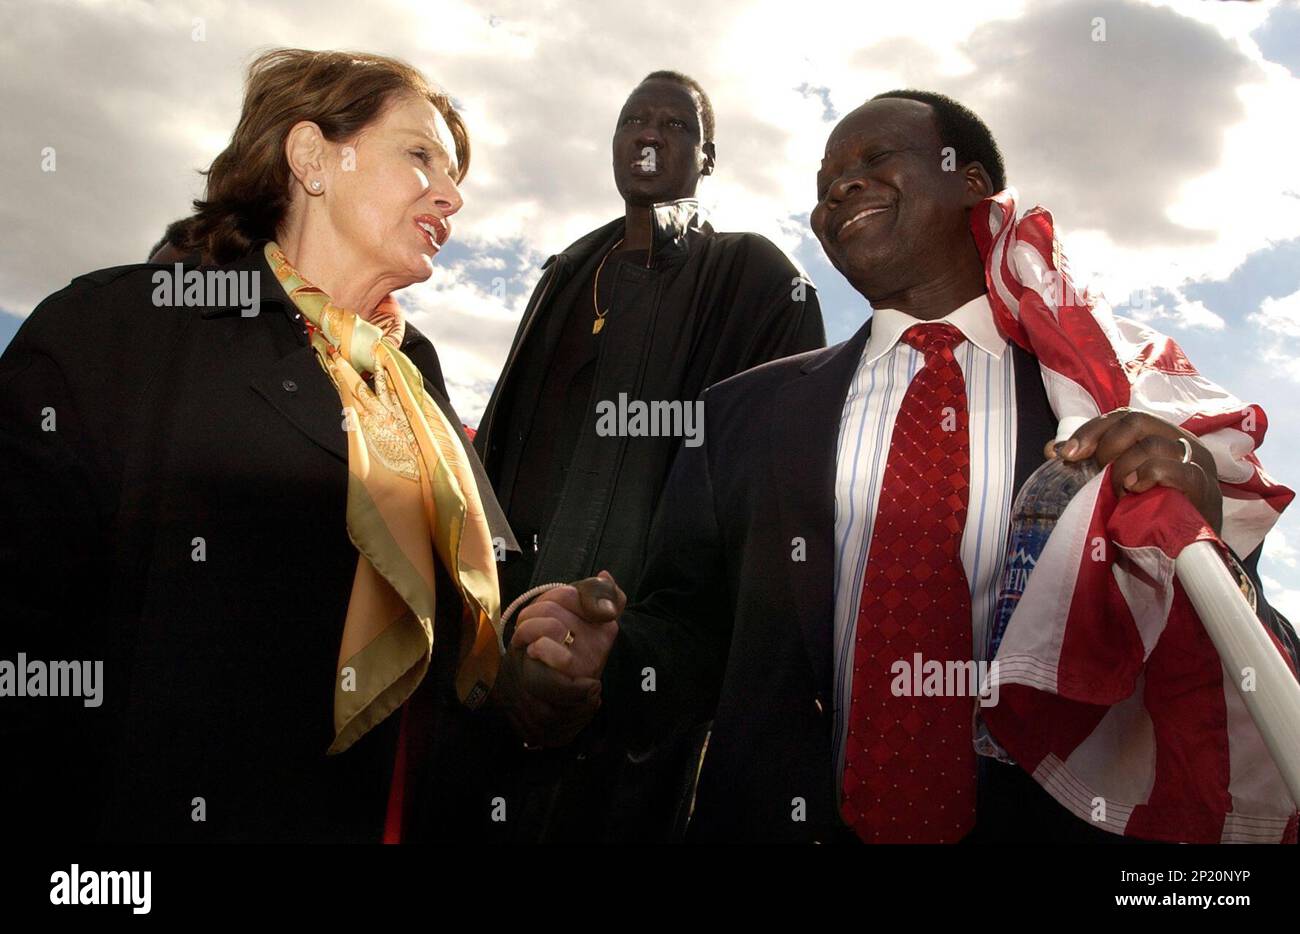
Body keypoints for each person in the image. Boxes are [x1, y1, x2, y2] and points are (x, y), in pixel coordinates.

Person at [511, 90, 1300, 842]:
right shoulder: (739, 415)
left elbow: (1204, 630)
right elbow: (685, 634)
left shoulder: (1101, 400)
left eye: (875, 157)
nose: (840, 187)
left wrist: (1195, 491)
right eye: (823, 186)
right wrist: (604, 662)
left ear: (975, 182)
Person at [0, 47, 606, 842]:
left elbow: (458, 661)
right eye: (420, 155)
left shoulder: (416, 385)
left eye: (455, 175)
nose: (452, 195)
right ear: (313, 157)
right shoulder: (119, 334)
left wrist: (540, 656)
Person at [419, 70, 825, 842]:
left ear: (708, 158)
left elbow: (766, 518)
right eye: (634, 119)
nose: (649, 133)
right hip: (493, 645)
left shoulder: (757, 280)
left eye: (675, 125)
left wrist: (652, 662)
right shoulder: (565, 276)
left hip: (632, 672)